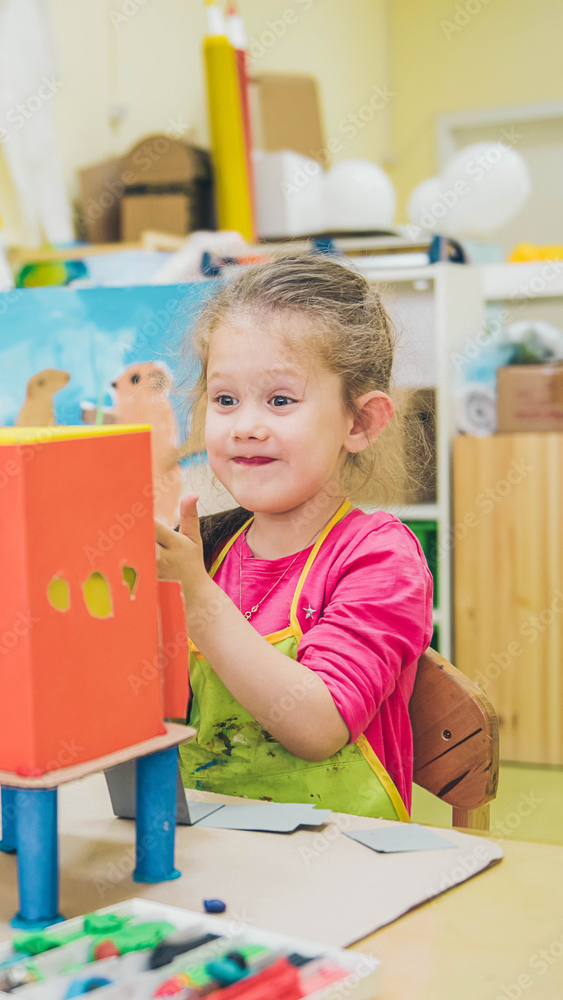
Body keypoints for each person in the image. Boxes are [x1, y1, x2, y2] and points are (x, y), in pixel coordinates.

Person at [154, 255, 433, 820]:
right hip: (209, 846)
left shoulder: (380, 558)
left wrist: (197, 600)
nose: (245, 426)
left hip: (340, 857)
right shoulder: (209, 548)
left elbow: (317, 727)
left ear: (360, 422)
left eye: (280, 400)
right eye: (225, 400)